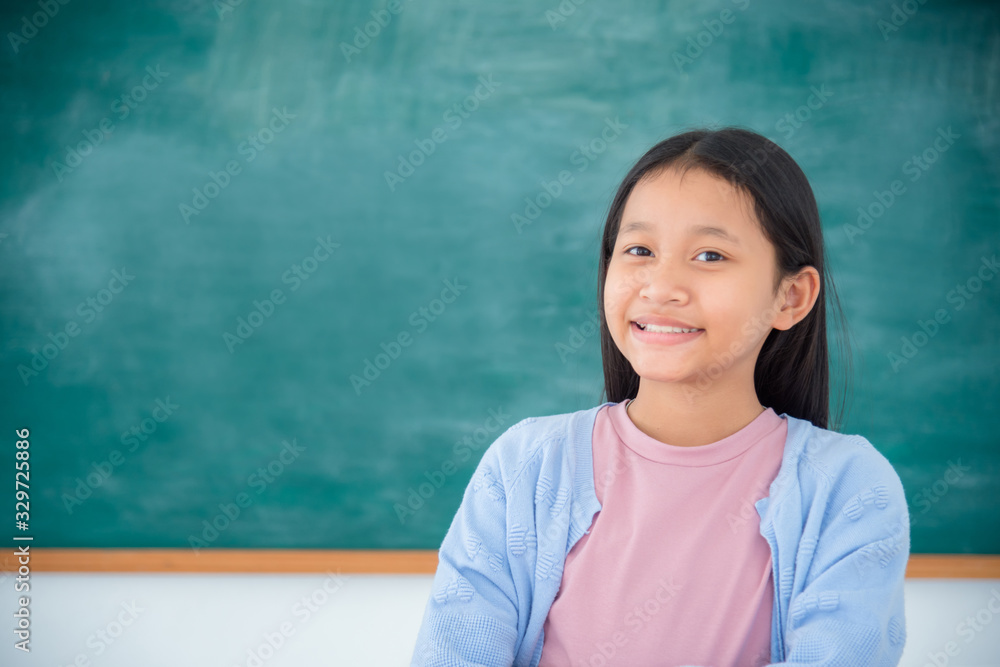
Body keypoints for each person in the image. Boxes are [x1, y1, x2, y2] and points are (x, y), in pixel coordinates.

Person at [409, 127, 910, 666]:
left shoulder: (848, 487)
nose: (661, 285)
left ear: (791, 296)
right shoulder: (526, 465)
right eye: (640, 249)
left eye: (711, 255)